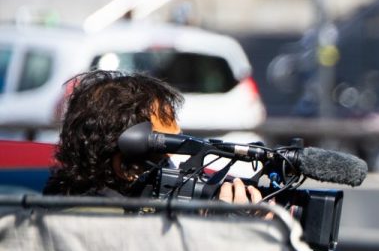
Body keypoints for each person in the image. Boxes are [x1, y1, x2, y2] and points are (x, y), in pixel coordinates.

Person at [44, 70, 260, 203]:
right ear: (128, 168)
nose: (179, 166)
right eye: (171, 151)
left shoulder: (45, 213)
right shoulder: (120, 236)